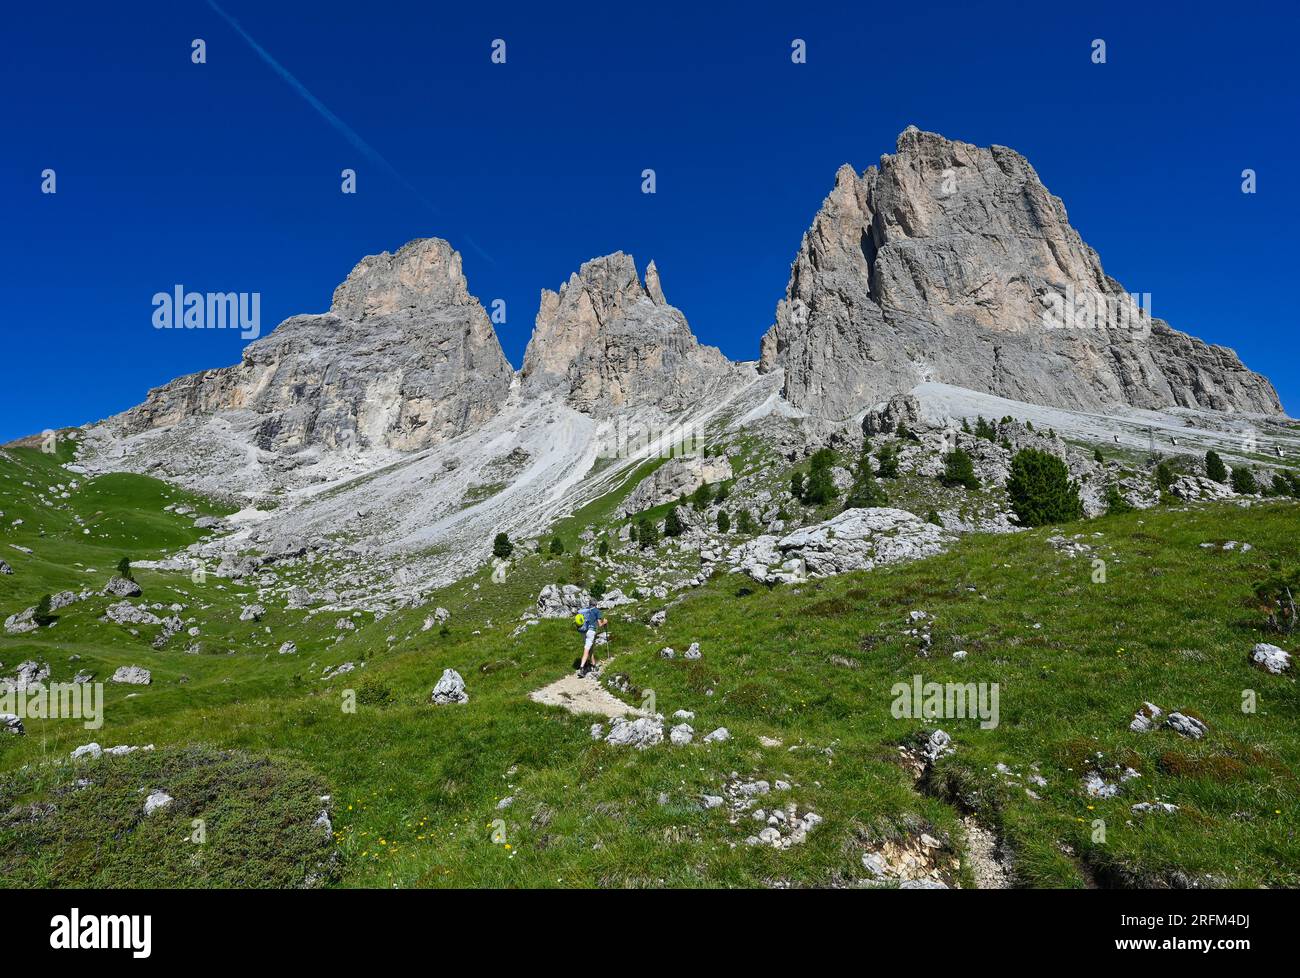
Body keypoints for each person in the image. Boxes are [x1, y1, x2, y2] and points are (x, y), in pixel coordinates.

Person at [574, 606, 608, 677]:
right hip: (591, 632)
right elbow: (600, 624)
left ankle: (593, 665)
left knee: (590, 648)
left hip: (583, 631)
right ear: (595, 604)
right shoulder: (596, 610)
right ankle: (582, 668)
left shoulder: (585, 610)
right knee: (586, 649)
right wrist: (604, 622)